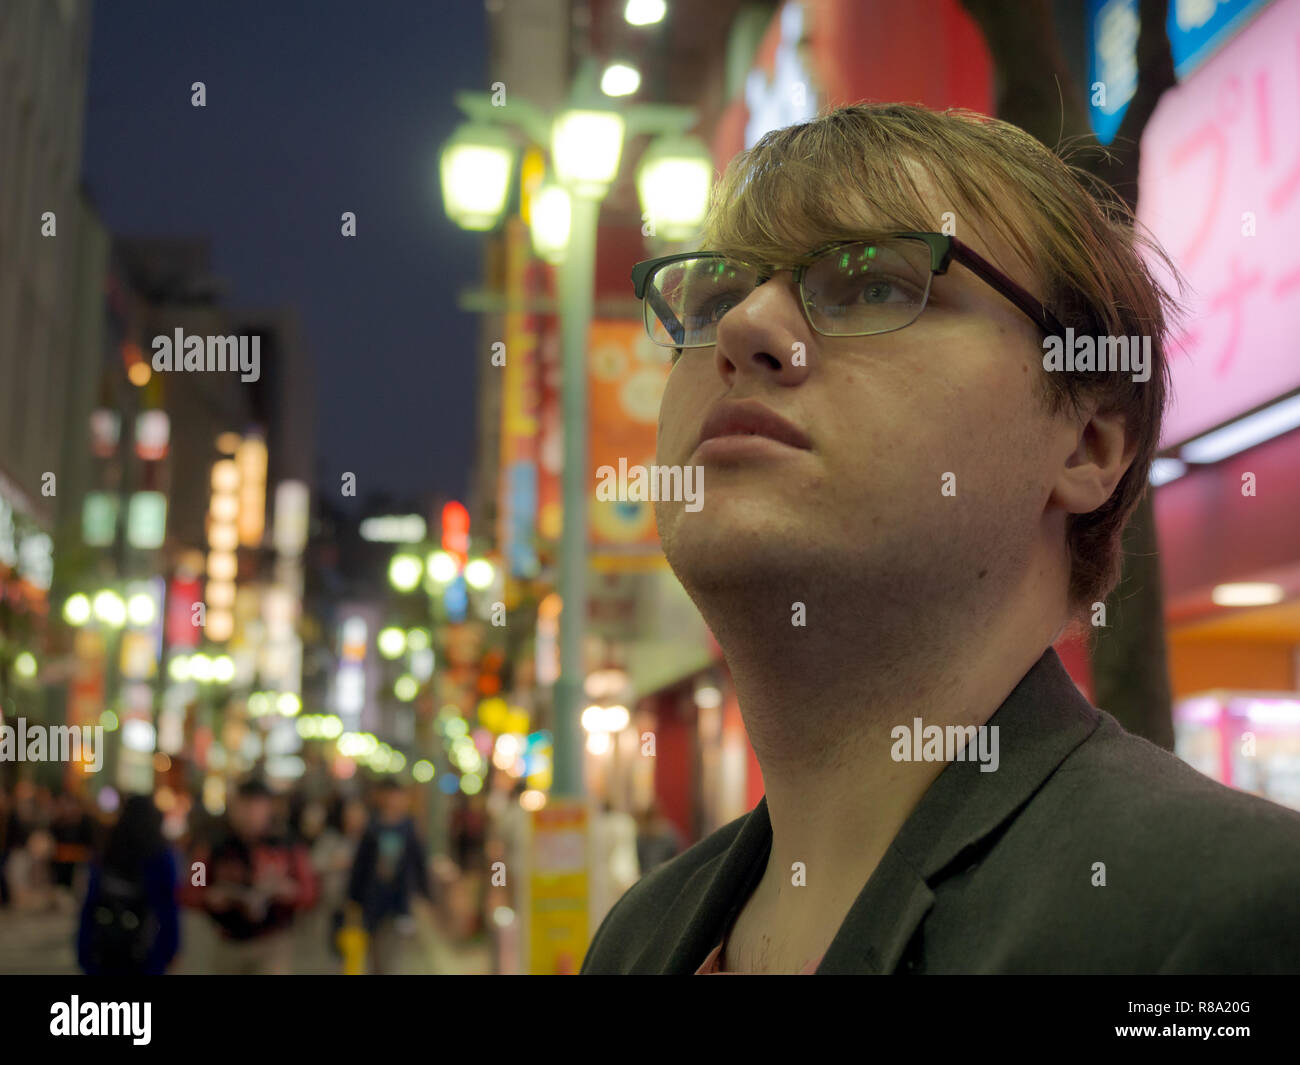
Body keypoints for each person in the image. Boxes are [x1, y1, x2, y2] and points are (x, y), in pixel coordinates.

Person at [581, 102, 1300, 975]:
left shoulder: (1230, 916)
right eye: (718, 294)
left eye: (874, 282)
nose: (742, 329)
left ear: (1085, 443)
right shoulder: (636, 938)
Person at [182, 778, 317, 974]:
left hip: (273, 941)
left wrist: (289, 891)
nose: (250, 815)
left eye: (257, 807)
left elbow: (309, 891)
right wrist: (209, 896)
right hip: (227, 942)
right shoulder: (210, 845)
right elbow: (193, 888)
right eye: (244, 806)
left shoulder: (287, 846)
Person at [77, 793, 179, 975]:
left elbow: (90, 903)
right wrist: (170, 951)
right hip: (145, 953)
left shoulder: (107, 850)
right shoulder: (160, 857)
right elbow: (167, 909)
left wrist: (83, 951)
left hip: (104, 949)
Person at [346, 778, 432, 974]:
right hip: (374, 902)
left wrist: (424, 894)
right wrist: (353, 898)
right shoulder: (373, 828)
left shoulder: (409, 828)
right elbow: (361, 865)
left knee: (393, 957)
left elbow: (419, 862)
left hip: (399, 903)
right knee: (377, 957)